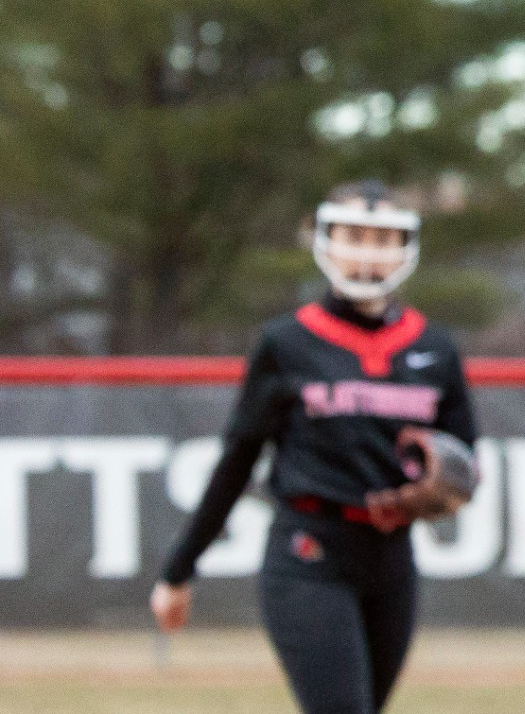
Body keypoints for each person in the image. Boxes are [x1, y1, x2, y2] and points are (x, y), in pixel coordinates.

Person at [149, 181, 478, 714]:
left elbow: (465, 458)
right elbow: (237, 460)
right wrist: (178, 569)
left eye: (383, 238)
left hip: (392, 559)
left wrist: (440, 489)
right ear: (325, 240)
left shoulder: (434, 348)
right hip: (310, 552)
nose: (367, 252)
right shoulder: (287, 342)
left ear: (405, 247)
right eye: (353, 236)